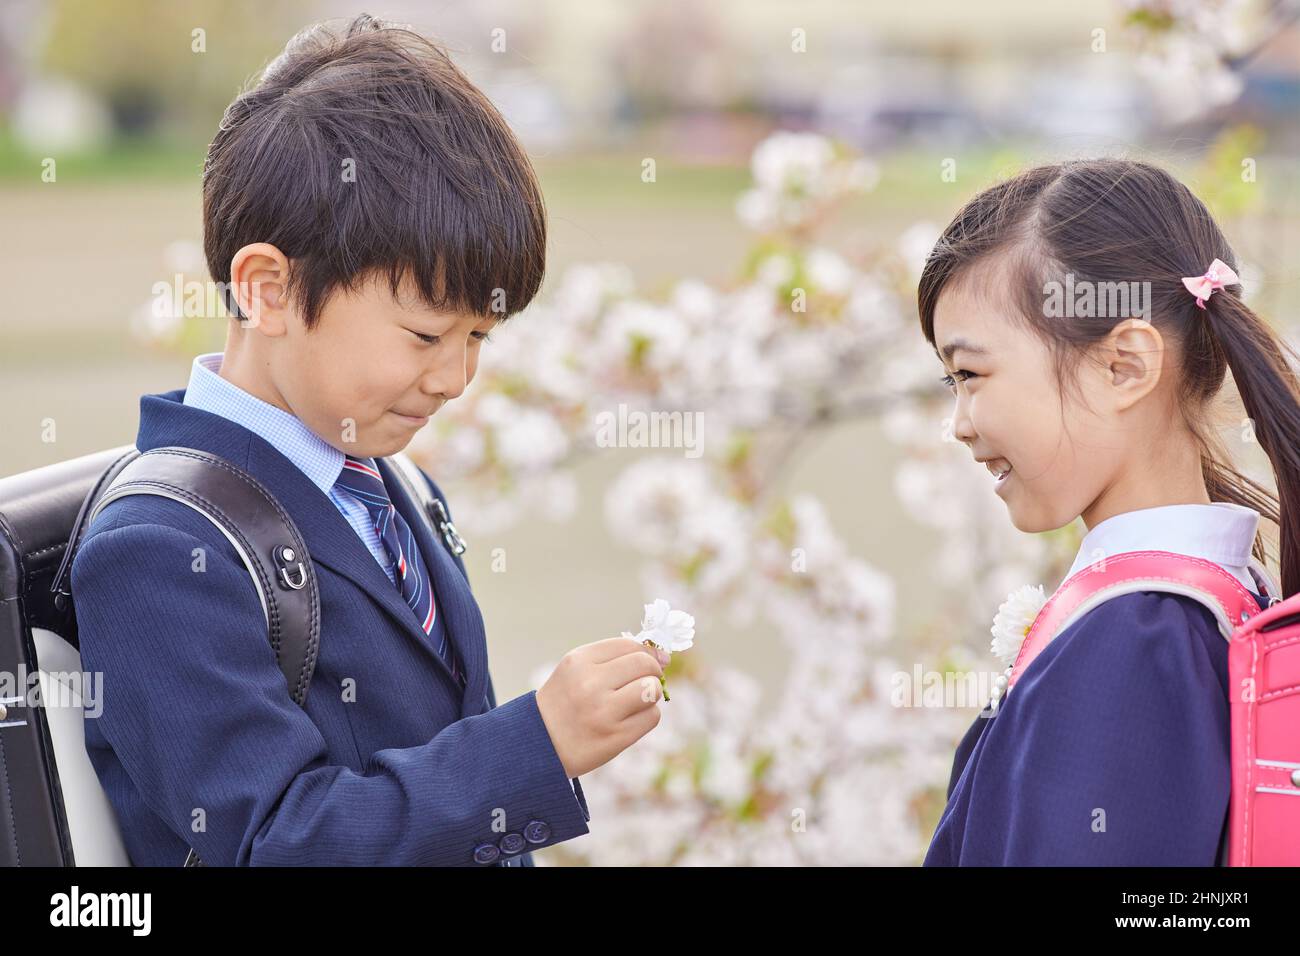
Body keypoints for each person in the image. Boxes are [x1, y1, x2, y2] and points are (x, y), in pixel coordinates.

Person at [70, 14, 666, 867]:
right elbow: (277, 842)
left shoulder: (396, 487)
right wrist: (533, 746)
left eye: (479, 340)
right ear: (267, 289)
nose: (457, 379)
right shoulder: (161, 549)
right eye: (426, 337)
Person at [917, 158, 1295, 865]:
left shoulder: (1138, 635)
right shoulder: (1210, 601)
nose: (960, 423)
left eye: (970, 375)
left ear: (1125, 366)